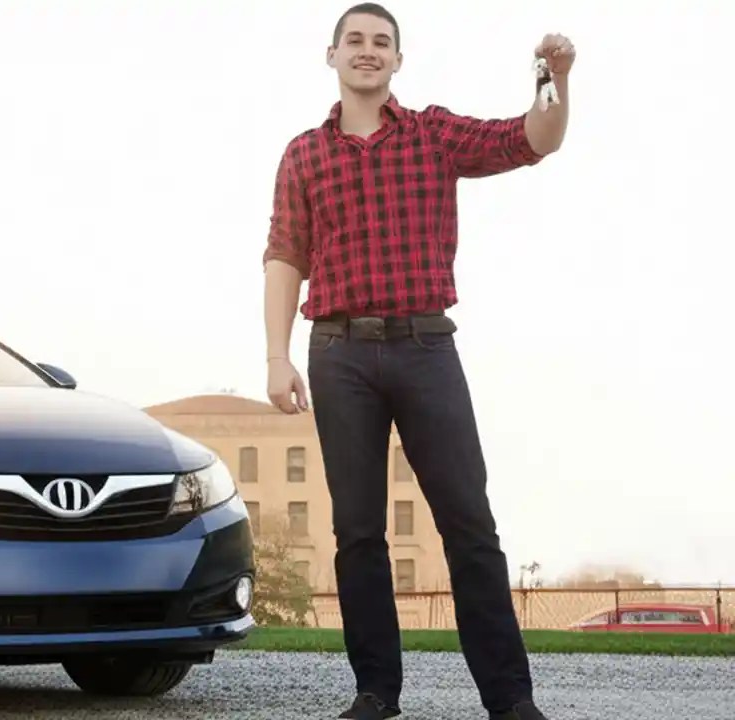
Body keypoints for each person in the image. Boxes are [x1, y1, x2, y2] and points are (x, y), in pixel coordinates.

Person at [260, 4, 573, 720]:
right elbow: (285, 255)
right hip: (338, 353)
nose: (368, 52)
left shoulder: (432, 134)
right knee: (359, 530)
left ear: (397, 61)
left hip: (425, 347)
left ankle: (511, 699)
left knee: (468, 521)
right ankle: (376, 691)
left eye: (382, 43)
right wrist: (278, 357)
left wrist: (552, 81)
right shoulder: (304, 154)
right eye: (356, 41)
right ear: (332, 55)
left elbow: (531, 139)